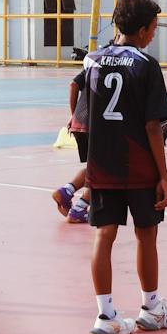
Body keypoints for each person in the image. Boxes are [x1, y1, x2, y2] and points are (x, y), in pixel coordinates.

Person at [84, 0, 167, 334]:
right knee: (147, 234)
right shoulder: (146, 65)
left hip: (103, 166)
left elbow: (78, 111)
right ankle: (151, 308)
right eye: (154, 29)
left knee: (104, 234)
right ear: (142, 29)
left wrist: (88, 163)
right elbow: (152, 126)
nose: (153, 36)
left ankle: (106, 314)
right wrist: (164, 175)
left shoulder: (93, 61)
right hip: (138, 167)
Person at [52, 39, 100, 226]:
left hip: (80, 123)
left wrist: (74, 115)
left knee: (96, 168)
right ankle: (79, 208)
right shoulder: (123, 64)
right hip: (95, 124)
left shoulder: (94, 63)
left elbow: (73, 85)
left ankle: (67, 191)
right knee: (108, 172)